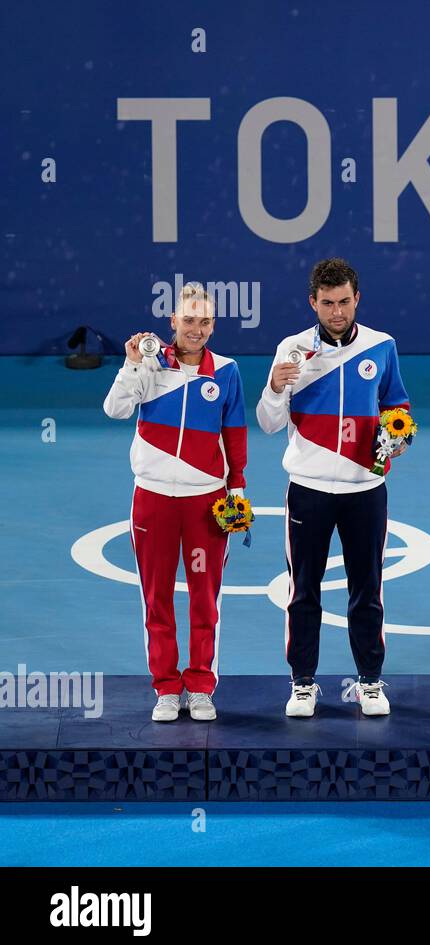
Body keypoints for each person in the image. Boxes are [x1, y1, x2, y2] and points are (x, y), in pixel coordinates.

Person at [256, 258, 411, 718]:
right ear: (313, 303)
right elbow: (267, 423)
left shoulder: (383, 346)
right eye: (327, 303)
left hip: (365, 489)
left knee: (368, 590)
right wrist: (274, 387)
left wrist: (398, 437)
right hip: (308, 489)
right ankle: (302, 683)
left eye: (344, 302)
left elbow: (397, 404)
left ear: (357, 298)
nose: (337, 312)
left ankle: (369, 681)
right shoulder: (291, 349)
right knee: (304, 590)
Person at [103, 283, 247, 722]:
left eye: (205, 322)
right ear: (173, 321)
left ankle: (201, 685)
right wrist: (131, 364)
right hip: (152, 501)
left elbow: (235, 435)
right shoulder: (148, 364)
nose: (196, 329)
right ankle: (166, 687)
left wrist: (236, 491)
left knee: (205, 599)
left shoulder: (226, 371)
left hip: (205, 502)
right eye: (189, 320)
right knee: (157, 598)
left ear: (213, 325)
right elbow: (115, 409)